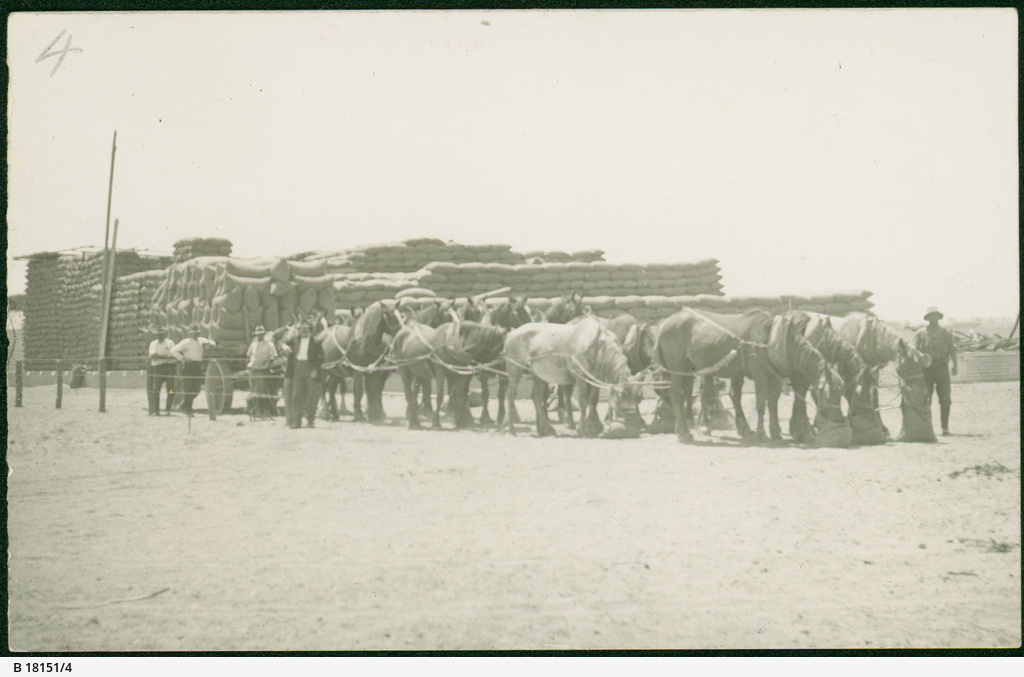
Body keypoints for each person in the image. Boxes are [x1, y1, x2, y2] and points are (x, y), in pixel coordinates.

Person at [914, 306, 958, 436]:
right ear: (927, 318)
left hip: (942, 368)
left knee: (945, 398)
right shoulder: (920, 333)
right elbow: (915, 351)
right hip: (926, 369)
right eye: (931, 316)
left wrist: (955, 365)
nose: (933, 318)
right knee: (925, 398)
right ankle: (927, 427)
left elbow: (952, 349)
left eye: (935, 316)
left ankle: (945, 427)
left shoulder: (945, 333)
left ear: (939, 317)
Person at [281, 320, 324, 429]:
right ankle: (296, 421)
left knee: (311, 396)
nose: (303, 331)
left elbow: (321, 357)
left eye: (305, 329)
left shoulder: (315, 341)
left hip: (310, 369)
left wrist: (315, 370)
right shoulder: (295, 340)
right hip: (298, 369)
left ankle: (310, 420)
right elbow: (282, 342)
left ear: (310, 330)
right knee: (296, 395)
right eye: (301, 329)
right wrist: (284, 347)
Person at [170, 324, 216, 415]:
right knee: (188, 387)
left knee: (196, 389)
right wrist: (182, 358)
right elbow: (173, 351)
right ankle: (188, 409)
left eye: (198, 333)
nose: (196, 334)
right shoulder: (186, 342)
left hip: (197, 365)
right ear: (190, 334)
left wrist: (210, 344)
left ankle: (183, 405)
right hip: (188, 365)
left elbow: (212, 342)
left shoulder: (201, 340)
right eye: (194, 333)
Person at [246, 326, 279, 414]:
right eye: (258, 335)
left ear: (264, 335)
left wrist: (267, 362)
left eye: (261, 335)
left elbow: (274, 356)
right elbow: (249, 355)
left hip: (263, 369)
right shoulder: (253, 345)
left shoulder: (269, 345)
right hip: (253, 368)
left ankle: (261, 410)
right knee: (252, 389)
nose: (259, 336)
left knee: (260, 389)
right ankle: (252, 409)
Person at [148, 327, 177, 415]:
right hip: (158, 369)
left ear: (165, 334)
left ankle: (168, 409)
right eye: (158, 335)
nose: (160, 337)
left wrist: (160, 357)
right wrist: (166, 357)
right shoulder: (153, 343)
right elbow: (153, 356)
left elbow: (173, 355)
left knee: (171, 389)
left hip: (170, 368)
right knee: (156, 389)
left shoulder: (170, 343)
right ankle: (156, 410)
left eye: (161, 335)